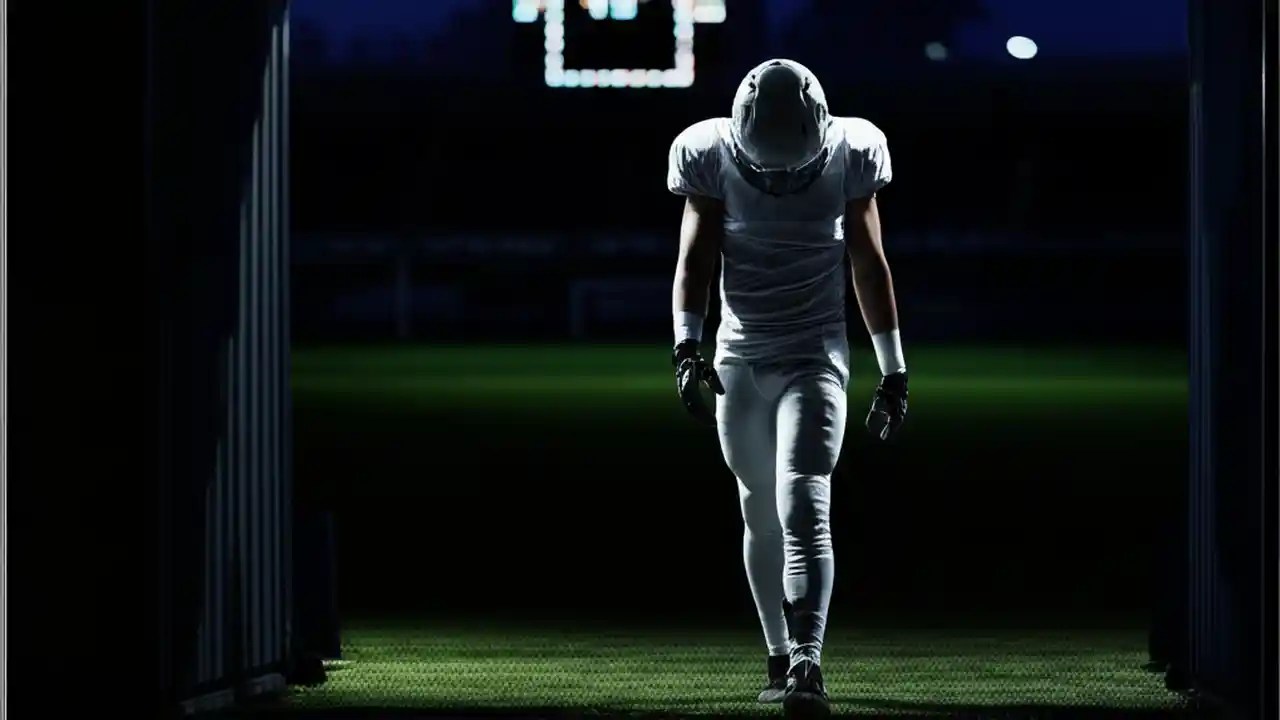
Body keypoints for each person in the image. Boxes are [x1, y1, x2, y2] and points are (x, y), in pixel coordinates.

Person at [665, 58, 909, 720]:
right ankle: (778, 653)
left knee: (804, 497)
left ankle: (807, 659)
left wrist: (893, 369)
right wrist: (687, 348)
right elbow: (695, 259)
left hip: (814, 354)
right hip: (740, 355)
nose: (777, 182)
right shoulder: (710, 153)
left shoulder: (851, 151)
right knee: (757, 509)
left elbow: (868, 260)